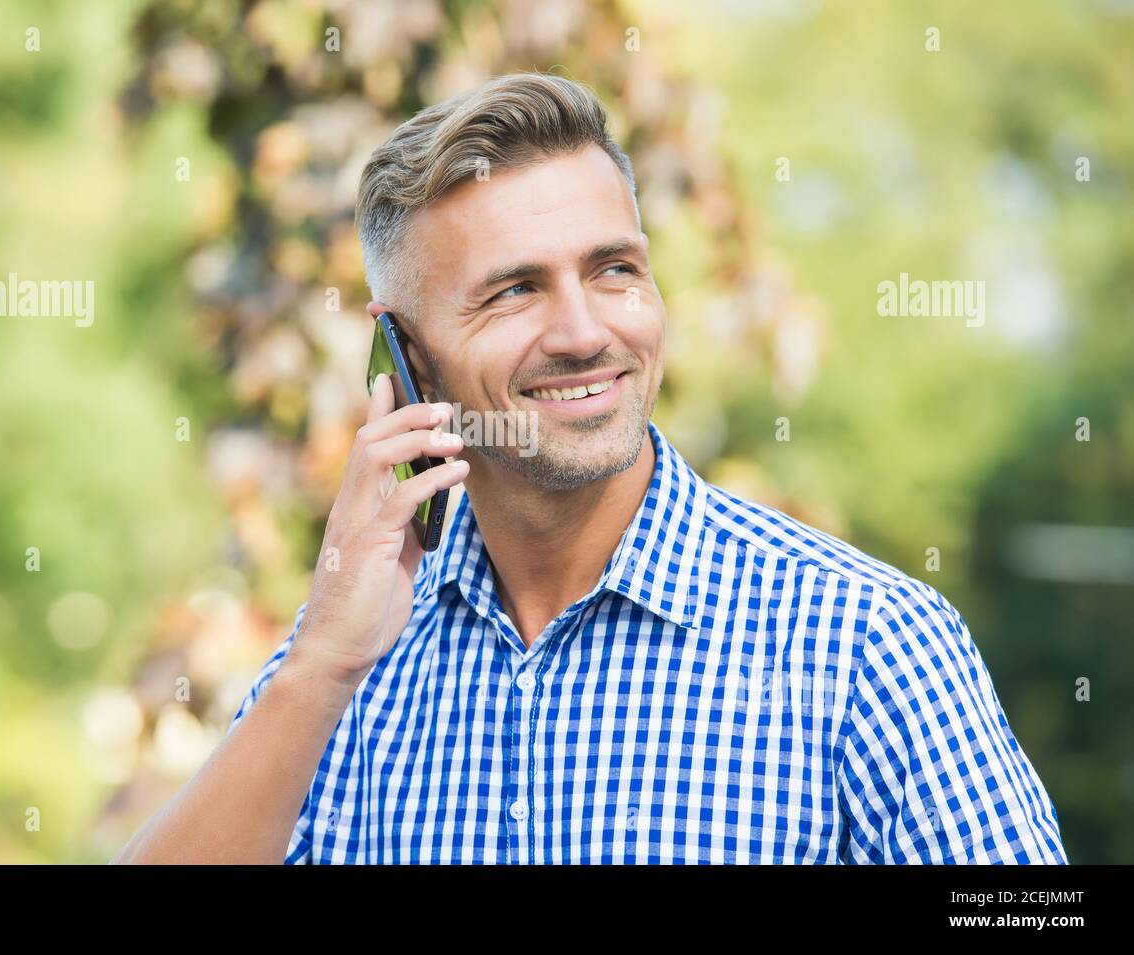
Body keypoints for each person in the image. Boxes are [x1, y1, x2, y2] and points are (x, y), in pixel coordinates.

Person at [114, 73, 1067, 864]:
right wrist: (322, 662)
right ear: (403, 357)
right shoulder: (344, 660)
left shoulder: (868, 644)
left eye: (614, 270)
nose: (584, 333)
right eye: (514, 290)